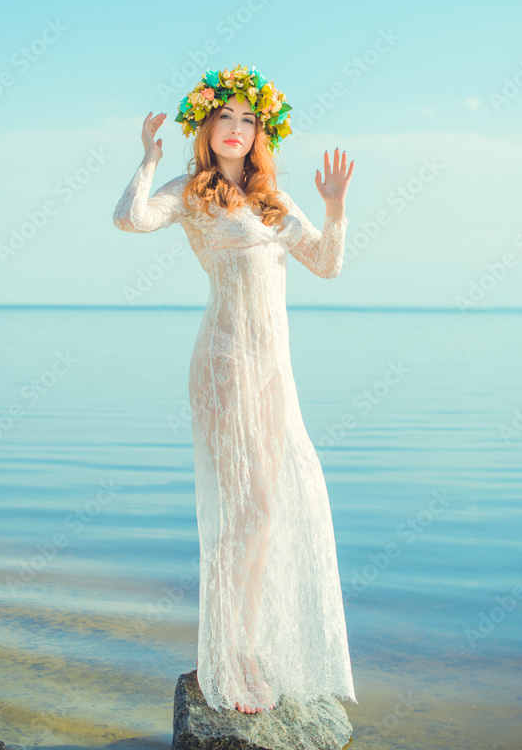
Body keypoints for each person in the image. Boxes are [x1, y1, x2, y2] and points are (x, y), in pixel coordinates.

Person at [112, 64, 357, 715]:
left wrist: (334, 211)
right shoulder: (192, 194)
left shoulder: (275, 202)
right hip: (221, 365)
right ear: (207, 126)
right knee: (233, 515)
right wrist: (145, 160)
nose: (236, 129)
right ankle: (226, 656)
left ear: (260, 133)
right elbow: (130, 220)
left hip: (273, 372)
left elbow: (326, 265)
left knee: (264, 513)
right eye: (226, 117)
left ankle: (244, 644)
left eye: (249, 120)